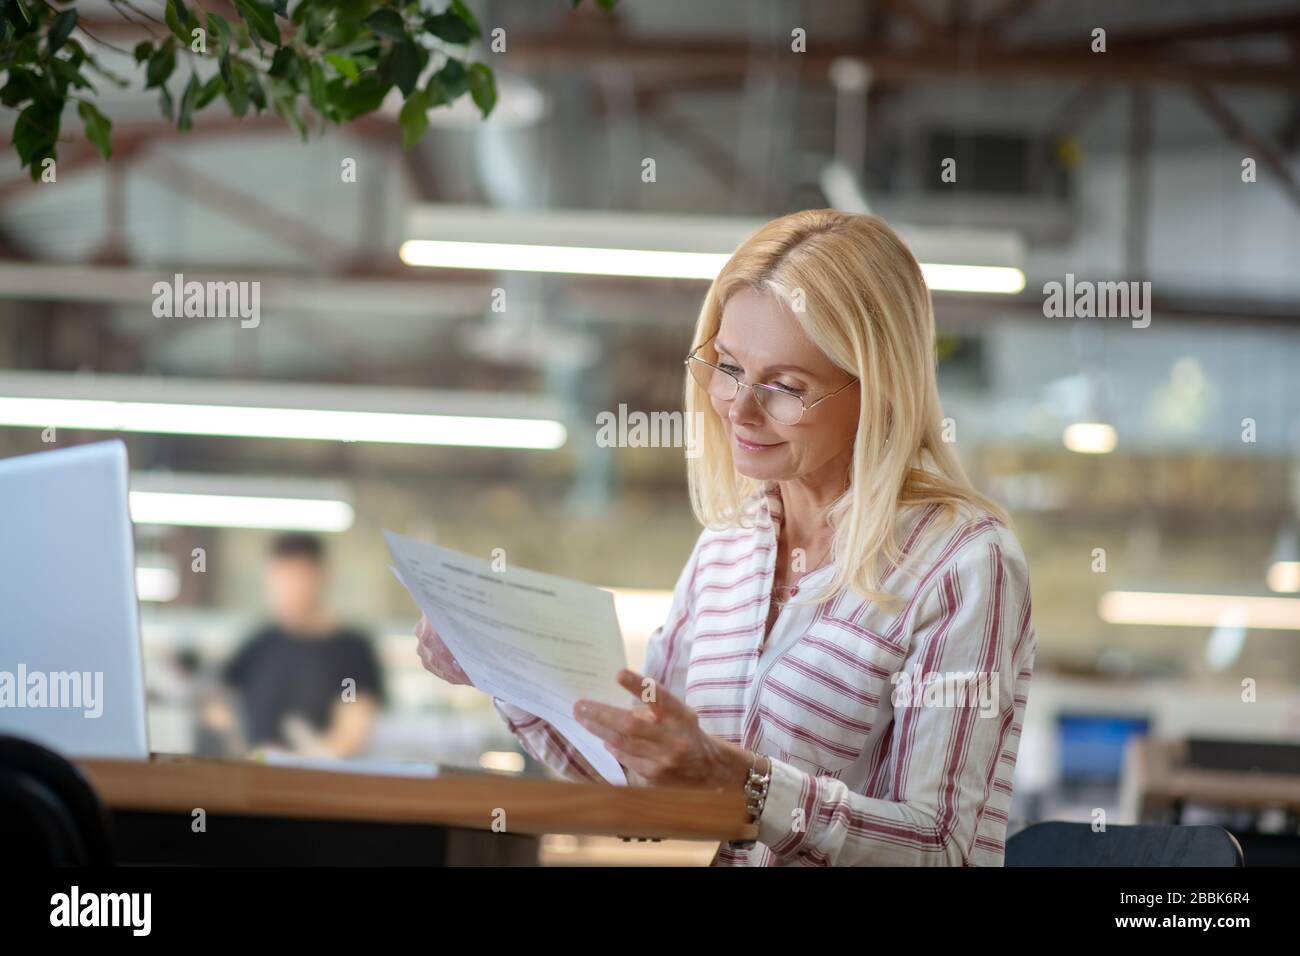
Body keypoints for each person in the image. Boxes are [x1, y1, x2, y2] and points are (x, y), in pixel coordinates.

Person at [415, 209, 1036, 866]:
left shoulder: (964, 564)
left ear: (878, 391)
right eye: (728, 366)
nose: (738, 407)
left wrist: (739, 782)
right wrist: (505, 670)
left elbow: (946, 848)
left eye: (785, 387)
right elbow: (640, 786)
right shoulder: (729, 547)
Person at [219, 533, 384, 758]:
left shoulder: (352, 651)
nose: (285, 591)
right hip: (253, 779)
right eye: (277, 580)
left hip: (319, 784)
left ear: (320, 577)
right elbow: (219, 706)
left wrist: (300, 762)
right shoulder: (259, 645)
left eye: (295, 579)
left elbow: (352, 733)